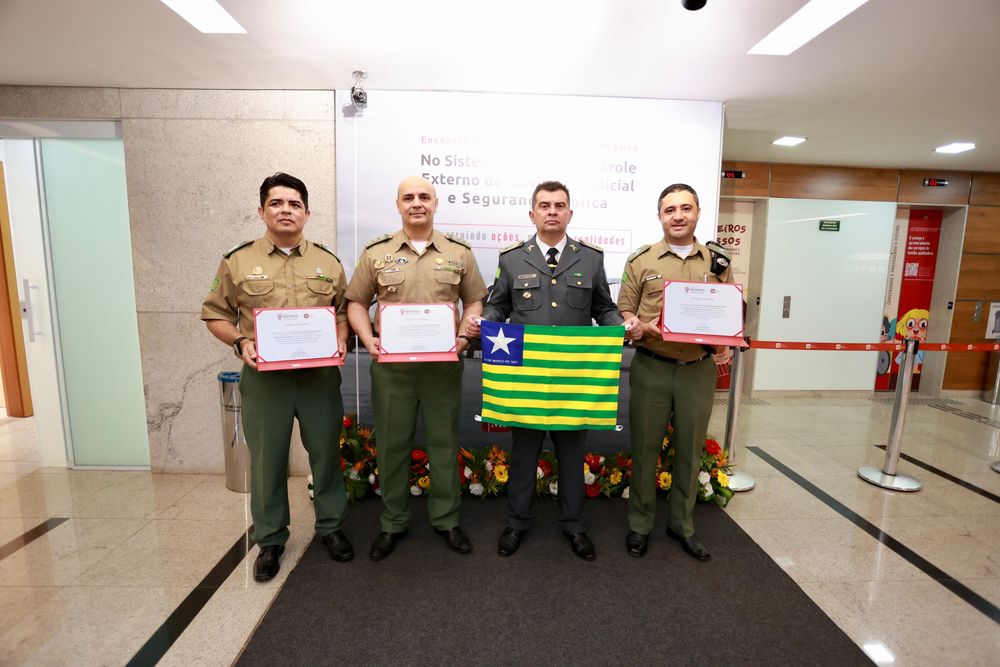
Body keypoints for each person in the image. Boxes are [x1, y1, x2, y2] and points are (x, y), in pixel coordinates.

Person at [201, 172, 352, 582]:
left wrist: (341, 337)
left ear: (307, 212)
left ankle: (331, 527)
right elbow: (215, 314)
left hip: (318, 379)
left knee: (325, 455)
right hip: (266, 381)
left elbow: (341, 311)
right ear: (262, 211)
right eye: (277, 203)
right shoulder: (238, 261)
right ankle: (270, 540)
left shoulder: (328, 262)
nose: (286, 210)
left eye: (294, 204)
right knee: (267, 461)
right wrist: (239, 343)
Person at [466, 180, 623, 561]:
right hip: (526, 378)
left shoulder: (590, 258)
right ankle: (516, 522)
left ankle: (574, 525)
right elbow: (498, 306)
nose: (552, 211)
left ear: (570, 213)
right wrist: (481, 321)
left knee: (571, 456)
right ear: (532, 213)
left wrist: (621, 324)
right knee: (523, 455)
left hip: (574, 378)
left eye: (559, 205)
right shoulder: (512, 258)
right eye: (544, 205)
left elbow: (603, 308)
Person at [346, 175, 487, 561]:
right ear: (398, 204)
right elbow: (356, 302)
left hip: (442, 367)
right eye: (408, 197)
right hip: (392, 369)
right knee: (392, 446)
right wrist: (367, 338)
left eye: (424, 196)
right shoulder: (376, 253)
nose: (417, 203)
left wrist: (462, 335)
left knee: (444, 444)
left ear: (436, 203)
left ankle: (447, 519)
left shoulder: (459, 253)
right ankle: (392, 522)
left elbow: (475, 300)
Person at [617, 183, 733, 561]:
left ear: (698, 213)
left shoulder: (717, 261)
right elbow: (624, 310)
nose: (678, 216)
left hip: (697, 370)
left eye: (685, 208)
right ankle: (640, 525)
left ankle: (682, 525)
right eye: (670, 210)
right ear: (660, 216)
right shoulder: (642, 260)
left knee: (689, 452)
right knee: (645, 449)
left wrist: (725, 340)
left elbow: (729, 309)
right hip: (652, 365)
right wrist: (635, 325)